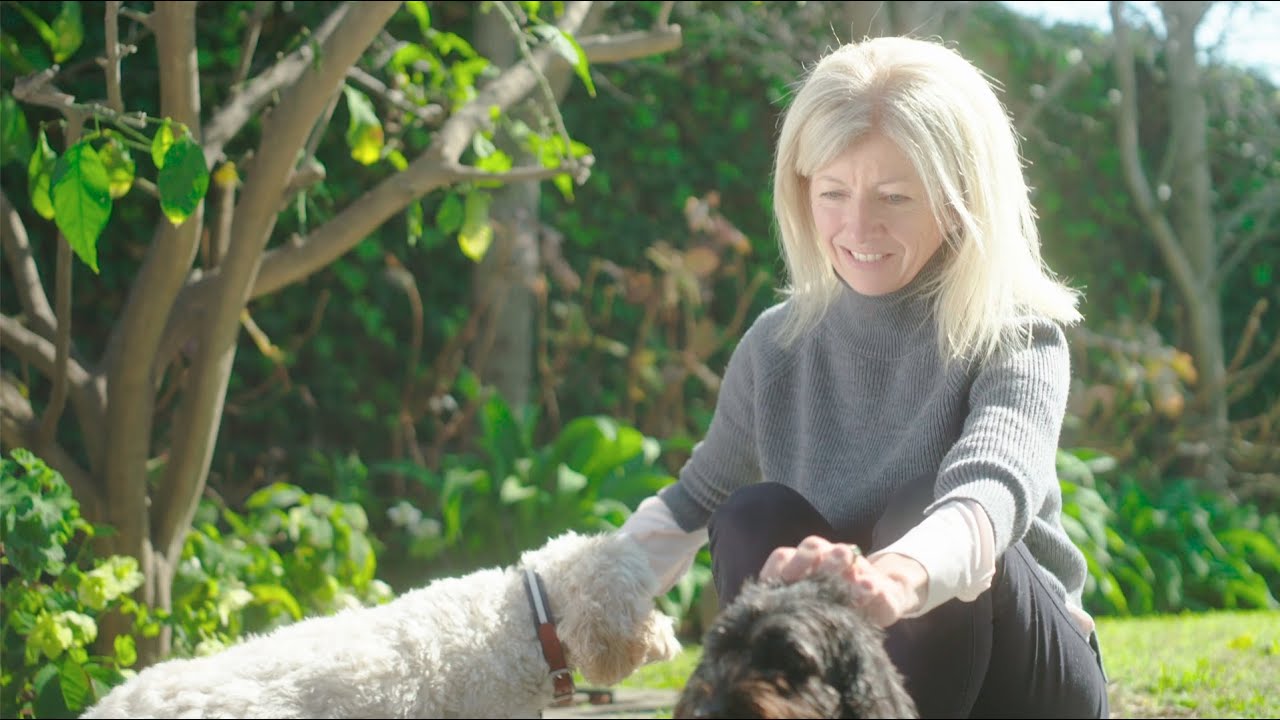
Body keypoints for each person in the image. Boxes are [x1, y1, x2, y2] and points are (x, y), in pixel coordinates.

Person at [618, 35, 1110, 718]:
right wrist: (553, 608)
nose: (859, 226)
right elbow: (694, 501)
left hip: (1023, 683)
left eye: (895, 196)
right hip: (856, 676)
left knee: (922, 506)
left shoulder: (1019, 337)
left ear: (961, 195)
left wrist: (895, 579)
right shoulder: (776, 345)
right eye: (832, 192)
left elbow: (988, 493)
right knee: (749, 514)